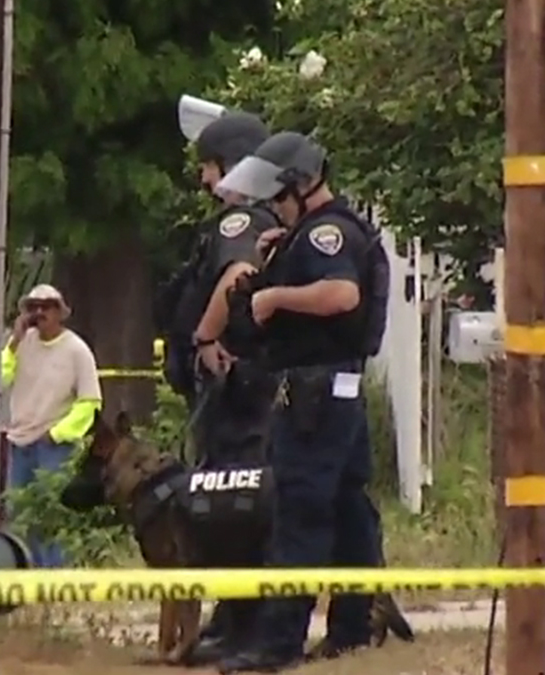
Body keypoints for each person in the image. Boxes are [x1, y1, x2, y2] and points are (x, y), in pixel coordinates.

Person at [211, 131, 390, 673]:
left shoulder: (326, 234)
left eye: (278, 193)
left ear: (302, 184)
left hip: (313, 394)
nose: (273, 204)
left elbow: (342, 296)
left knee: (300, 512)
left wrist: (273, 297)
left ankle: (279, 643)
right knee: (348, 511)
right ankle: (351, 630)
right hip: (338, 390)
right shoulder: (324, 231)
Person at [159, 102, 282, 665]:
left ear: (232, 164)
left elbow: (239, 273)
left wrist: (206, 338)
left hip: (236, 395)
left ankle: (245, 624)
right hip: (234, 396)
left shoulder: (242, 222)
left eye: (210, 165)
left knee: (235, 509)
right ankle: (233, 617)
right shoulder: (254, 220)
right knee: (226, 508)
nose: (205, 178)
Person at [1, 284, 101, 567]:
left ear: (60, 312)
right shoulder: (21, 345)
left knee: (51, 516)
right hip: (20, 442)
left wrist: (57, 434)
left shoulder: (76, 350)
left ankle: (55, 579)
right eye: (33, 307)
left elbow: (90, 402)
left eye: (46, 306)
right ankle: (30, 576)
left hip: (54, 446)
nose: (39, 312)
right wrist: (13, 343)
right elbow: (0, 381)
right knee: (21, 515)